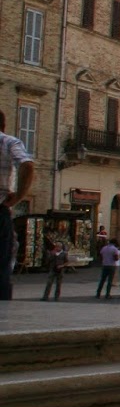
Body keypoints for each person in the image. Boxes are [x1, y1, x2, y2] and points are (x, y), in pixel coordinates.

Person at [0, 110, 35, 302]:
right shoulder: (8, 142)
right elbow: (27, 165)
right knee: (1, 267)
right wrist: (19, 196)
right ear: (3, 125)